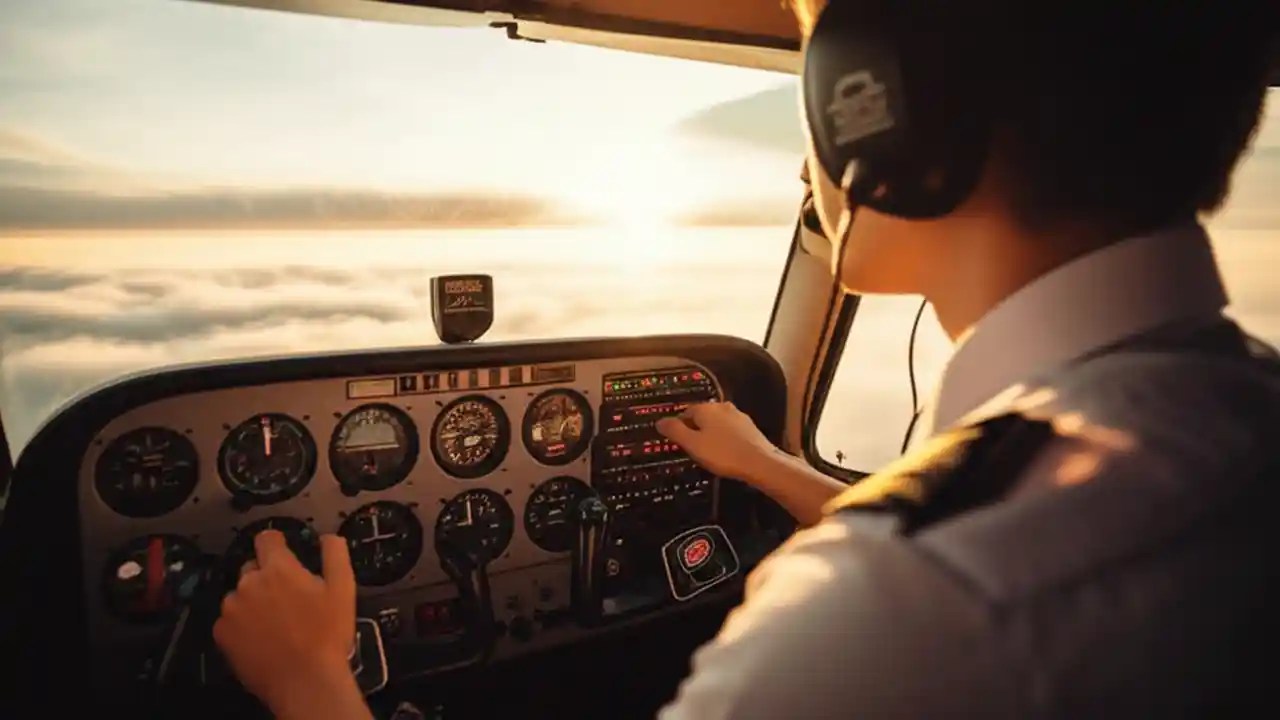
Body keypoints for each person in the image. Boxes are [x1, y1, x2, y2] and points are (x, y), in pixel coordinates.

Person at [212, 1, 1279, 717]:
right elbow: (999, 528)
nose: (809, 155)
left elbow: (950, 566)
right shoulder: (1233, 410)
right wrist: (770, 468)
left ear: (881, 125)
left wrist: (313, 683)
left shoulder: (891, 610)